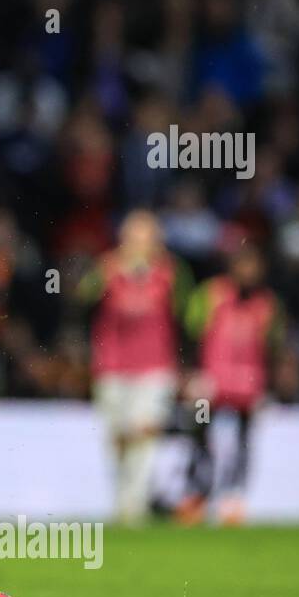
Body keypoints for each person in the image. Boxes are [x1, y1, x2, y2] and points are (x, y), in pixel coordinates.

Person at [78, 211, 192, 525]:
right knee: (117, 436)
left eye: (147, 237)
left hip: (155, 366)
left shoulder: (171, 274)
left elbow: (185, 319)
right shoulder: (107, 269)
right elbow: (82, 300)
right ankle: (120, 498)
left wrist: (185, 367)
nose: (141, 244)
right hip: (112, 367)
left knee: (145, 432)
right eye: (135, 237)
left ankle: (134, 506)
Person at [177, 243, 284, 525]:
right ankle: (196, 496)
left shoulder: (268, 304)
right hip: (211, 383)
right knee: (201, 441)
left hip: (249, 386)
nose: (249, 272)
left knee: (242, 444)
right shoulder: (210, 295)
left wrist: (268, 389)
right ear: (231, 268)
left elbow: (273, 348)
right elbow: (190, 334)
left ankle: (232, 500)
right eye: (243, 266)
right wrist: (192, 375)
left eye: (254, 267)